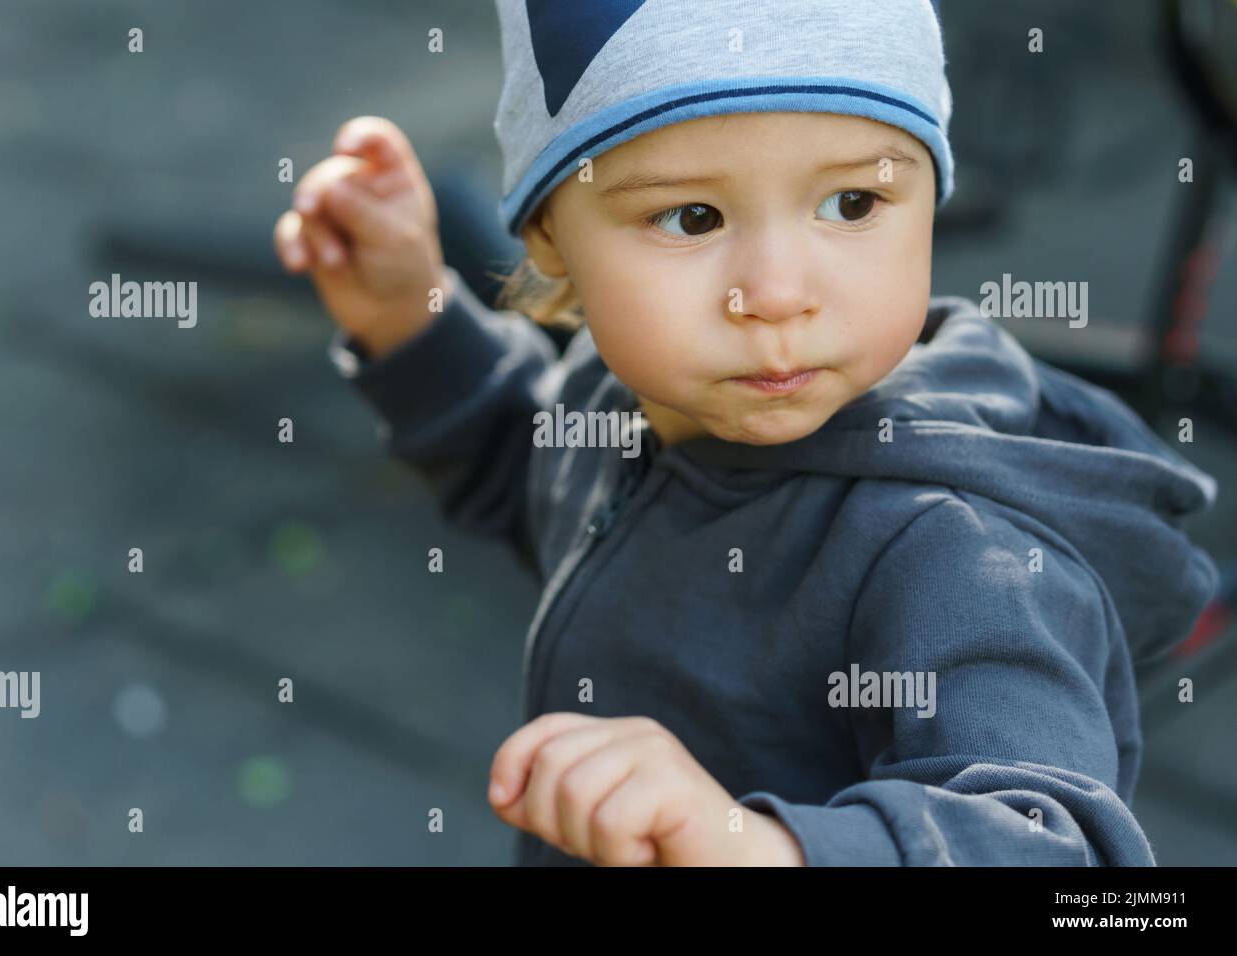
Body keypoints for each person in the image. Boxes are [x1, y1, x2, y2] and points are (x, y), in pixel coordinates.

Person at [272, 0, 1219, 866]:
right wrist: (408, 312)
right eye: (691, 216)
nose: (775, 293)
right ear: (551, 236)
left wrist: (763, 847)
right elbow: (524, 466)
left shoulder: (955, 553)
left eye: (852, 204)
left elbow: (1069, 860)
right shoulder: (629, 398)